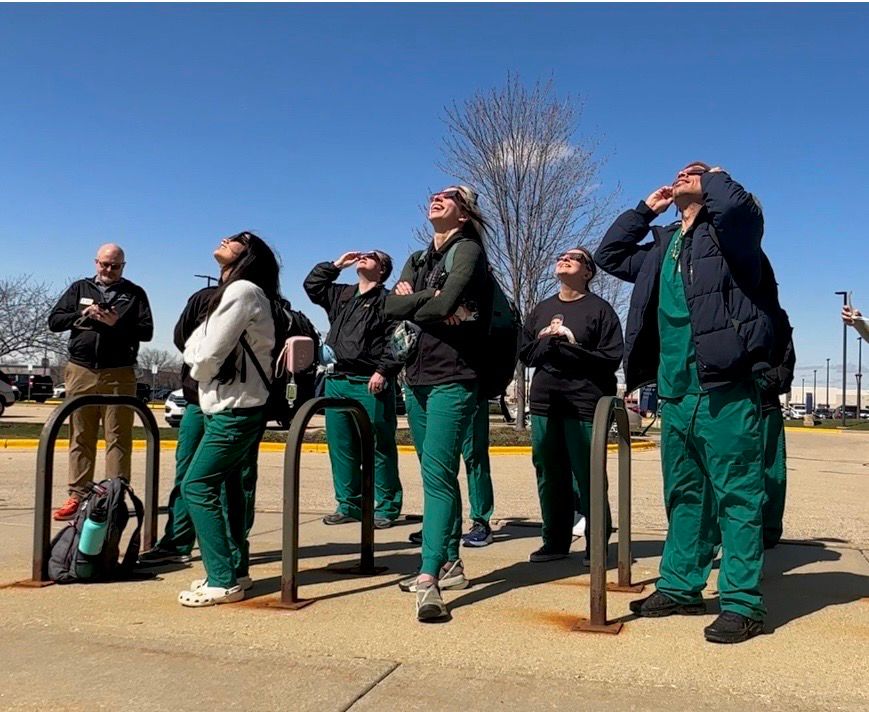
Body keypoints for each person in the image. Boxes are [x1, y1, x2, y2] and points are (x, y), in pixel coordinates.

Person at [595, 162, 776, 644]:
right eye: (680, 173)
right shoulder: (662, 245)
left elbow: (738, 207)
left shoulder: (731, 236)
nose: (683, 176)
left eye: (695, 173)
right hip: (673, 393)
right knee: (686, 496)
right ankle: (680, 586)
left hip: (724, 386)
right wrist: (643, 210)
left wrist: (714, 175)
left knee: (737, 496)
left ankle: (743, 603)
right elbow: (608, 255)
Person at [385, 185, 491, 622]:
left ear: (464, 214)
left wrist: (422, 300)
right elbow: (390, 306)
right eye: (435, 194)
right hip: (418, 376)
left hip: (454, 376)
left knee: (438, 474)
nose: (437, 198)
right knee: (435, 473)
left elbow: (446, 301)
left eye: (450, 197)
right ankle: (449, 564)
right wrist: (423, 301)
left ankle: (429, 576)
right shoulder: (418, 258)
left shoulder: (467, 251)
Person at [175, 231, 278, 607]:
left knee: (197, 485)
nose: (223, 238)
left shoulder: (242, 291)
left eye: (236, 239)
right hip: (239, 405)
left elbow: (203, 355)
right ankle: (237, 570)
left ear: (247, 255)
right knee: (231, 490)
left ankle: (222, 579)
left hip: (233, 408)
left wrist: (195, 358)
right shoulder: (242, 292)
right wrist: (197, 350)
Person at [520, 247, 623, 563]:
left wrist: (570, 345)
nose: (564, 258)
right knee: (549, 473)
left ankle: (597, 544)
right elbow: (525, 353)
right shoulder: (542, 308)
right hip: (544, 402)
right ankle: (555, 540)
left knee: (589, 475)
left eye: (575, 257)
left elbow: (610, 358)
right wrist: (547, 341)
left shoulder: (600, 310)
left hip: (584, 403)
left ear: (588, 272)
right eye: (561, 255)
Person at [47, 244, 153, 521]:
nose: (108, 270)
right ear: (96, 263)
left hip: (119, 372)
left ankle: (114, 495)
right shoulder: (79, 289)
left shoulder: (135, 293)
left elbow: (147, 331)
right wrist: (84, 314)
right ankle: (78, 494)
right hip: (81, 370)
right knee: (81, 434)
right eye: (104, 264)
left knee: (118, 436)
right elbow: (55, 321)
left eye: (114, 266)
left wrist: (117, 323)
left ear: (123, 266)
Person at [303, 250, 403, 529]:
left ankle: (386, 507)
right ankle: (349, 504)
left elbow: (398, 339)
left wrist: (384, 370)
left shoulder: (388, 300)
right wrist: (335, 265)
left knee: (378, 446)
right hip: (336, 382)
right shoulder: (342, 294)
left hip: (369, 383)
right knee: (341, 446)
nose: (364, 257)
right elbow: (312, 286)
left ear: (382, 270)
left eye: (372, 257)